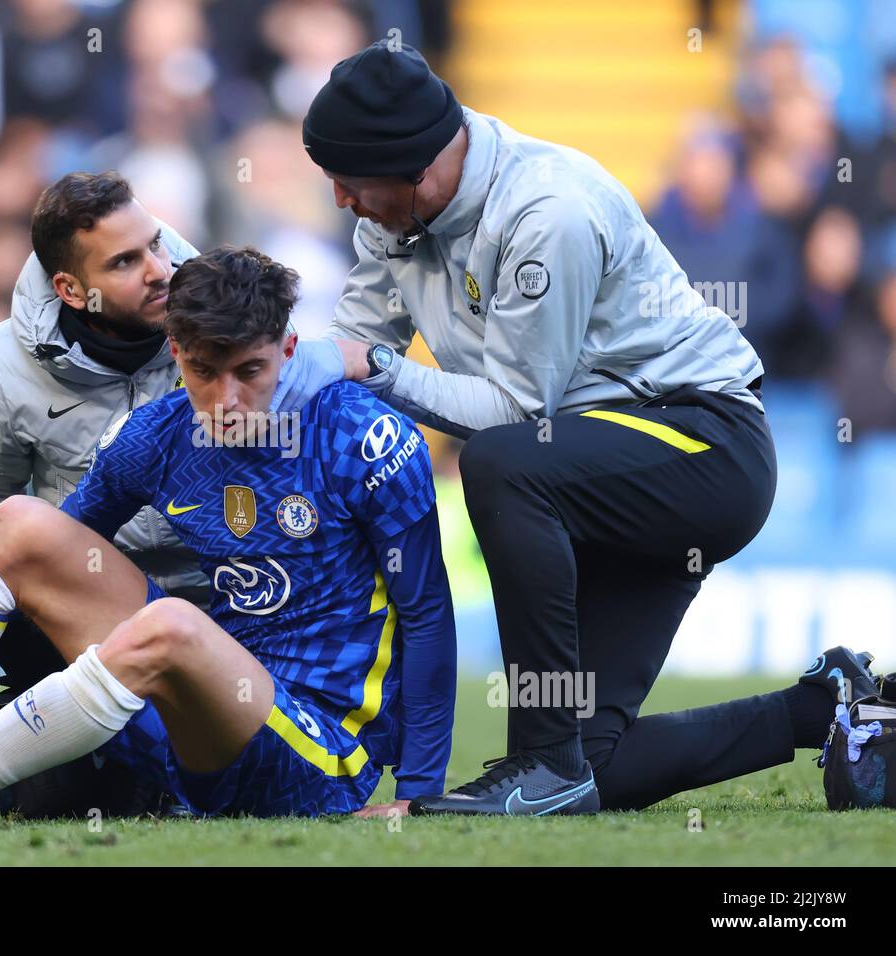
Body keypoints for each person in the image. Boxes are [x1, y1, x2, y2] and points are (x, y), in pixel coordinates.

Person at [275, 39, 878, 814]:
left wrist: (377, 369)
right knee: (604, 772)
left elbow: (519, 413)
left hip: (701, 442)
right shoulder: (396, 208)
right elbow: (349, 356)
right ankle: (824, 708)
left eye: (348, 183)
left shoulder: (546, 211)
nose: (340, 202)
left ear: (416, 169)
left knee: (500, 462)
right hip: (600, 475)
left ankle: (544, 761)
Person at [0, 246, 457, 827]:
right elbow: (41, 562)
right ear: (176, 353)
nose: (228, 400)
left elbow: (426, 613)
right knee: (18, 524)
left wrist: (419, 790)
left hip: (320, 756)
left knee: (170, 623)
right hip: (192, 735)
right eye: (205, 371)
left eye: (252, 371)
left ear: (291, 349)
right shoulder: (158, 438)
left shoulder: (364, 436)